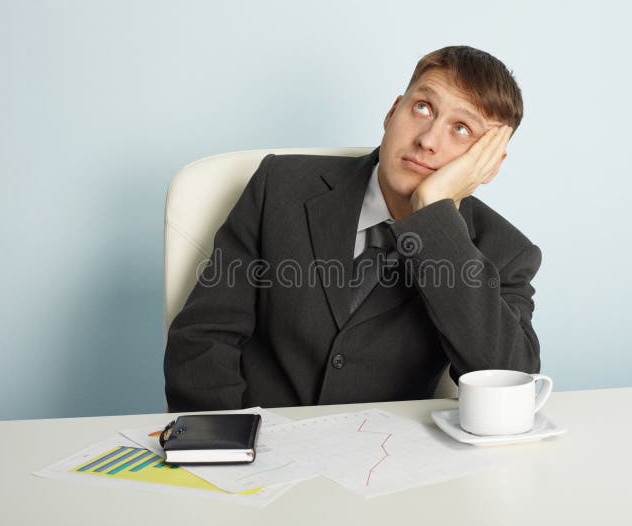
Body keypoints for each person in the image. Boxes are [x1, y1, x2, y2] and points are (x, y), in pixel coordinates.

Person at [164, 45, 542, 412]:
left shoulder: (505, 251)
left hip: (390, 462)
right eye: (422, 107)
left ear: (488, 164)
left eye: (461, 129)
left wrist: (433, 215)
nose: (428, 140)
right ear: (393, 111)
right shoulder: (279, 186)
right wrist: (227, 446)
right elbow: (203, 340)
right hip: (258, 450)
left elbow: (507, 386)